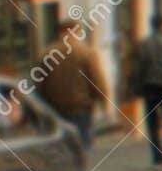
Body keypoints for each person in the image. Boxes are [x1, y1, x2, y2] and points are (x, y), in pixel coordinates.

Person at [33, 23, 109, 153]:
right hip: (80, 107)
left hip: (55, 107)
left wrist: (40, 107)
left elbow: (39, 84)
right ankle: (81, 167)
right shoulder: (86, 53)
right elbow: (97, 81)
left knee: (61, 144)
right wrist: (104, 103)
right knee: (82, 143)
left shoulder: (47, 54)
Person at [127, 15, 162, 166]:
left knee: (152, 122)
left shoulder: (143, 45)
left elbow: (136, 68)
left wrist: (135, 87)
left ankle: (156, 156)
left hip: (149, 87)